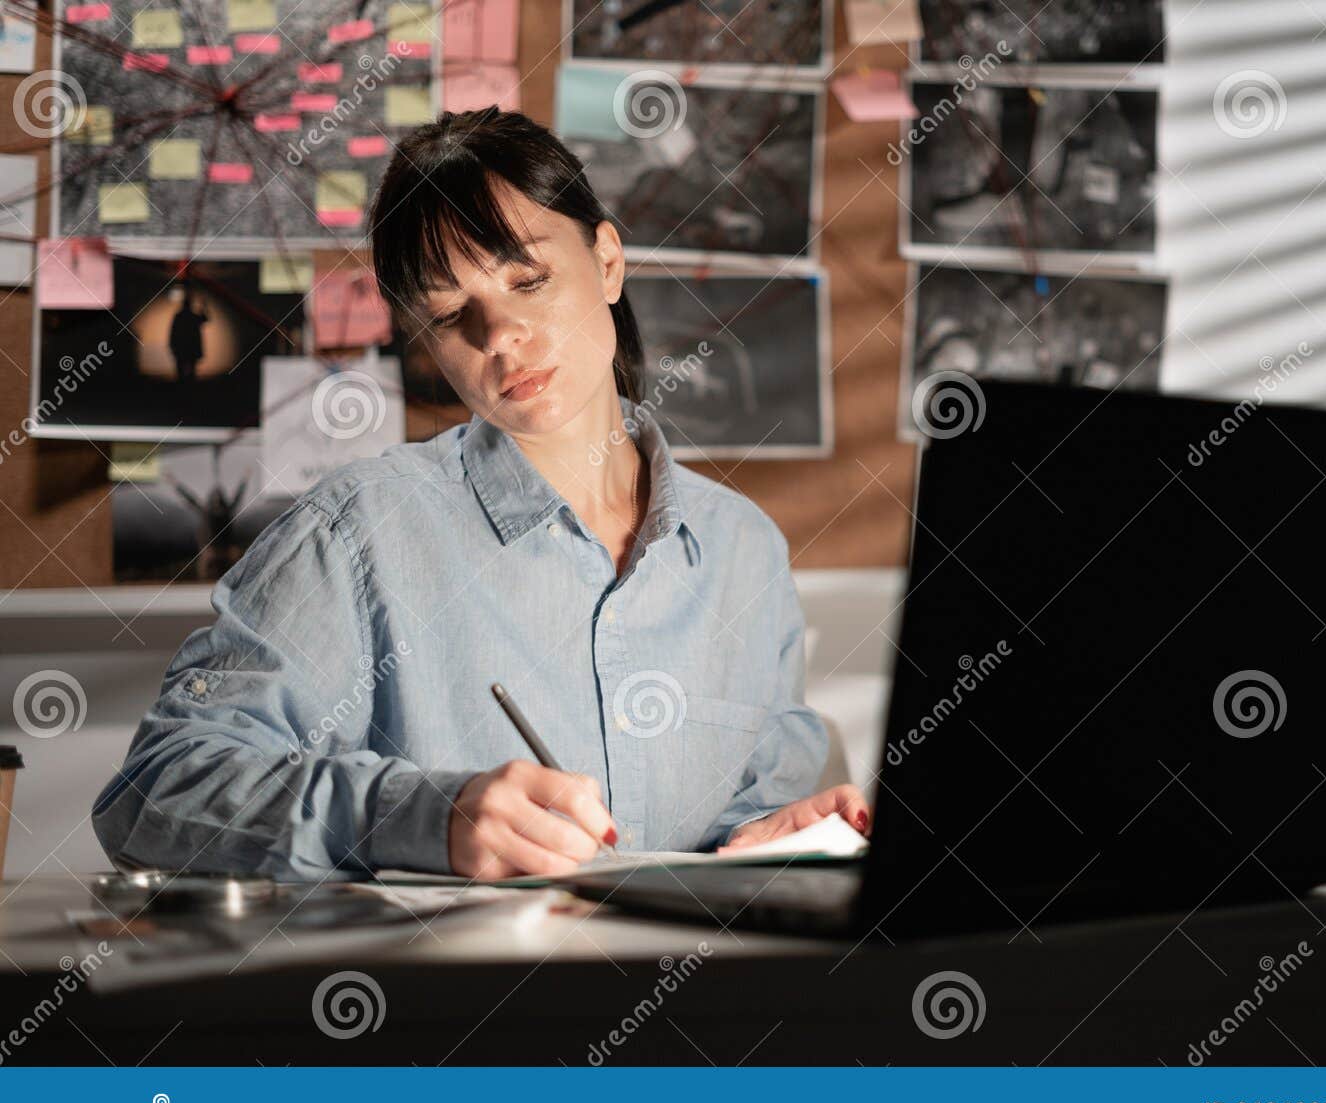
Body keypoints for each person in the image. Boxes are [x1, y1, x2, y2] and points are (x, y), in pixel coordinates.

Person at [91, 106, 869, 882]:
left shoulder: (743, 548)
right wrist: (422, 817)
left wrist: (775, 834)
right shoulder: (359, 532)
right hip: (445, 1001)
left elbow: (736, 825)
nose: (498, 334)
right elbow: (156, 790)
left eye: (528, 280)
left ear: (606, 262)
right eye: (448, 313)